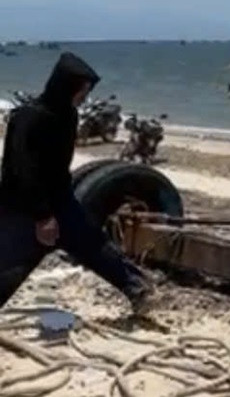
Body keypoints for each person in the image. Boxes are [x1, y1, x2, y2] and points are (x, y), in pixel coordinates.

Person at [0, 52, 153, 311]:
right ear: (66, 85)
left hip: (60, 199)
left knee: (94, 244)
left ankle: (138, 290)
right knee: (9, 264)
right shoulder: (29, 118)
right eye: (82, 89)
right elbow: (24, 171)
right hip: (24, 206)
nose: (85, 95)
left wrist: (61, 205)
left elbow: (59, 166)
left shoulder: (68, 116)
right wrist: (43, 216)